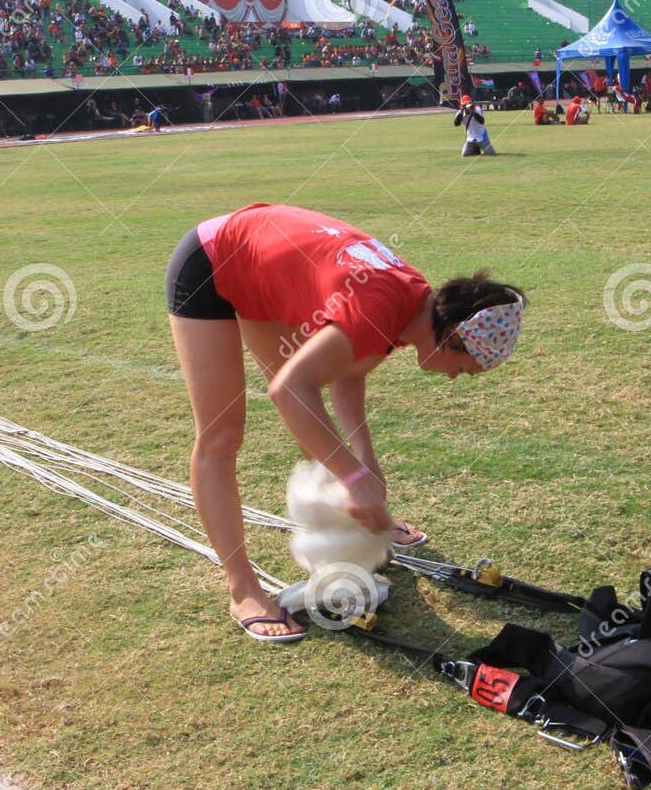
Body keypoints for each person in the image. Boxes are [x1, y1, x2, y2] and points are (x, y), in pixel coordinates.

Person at [165, 203, 526, 642]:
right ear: (452, 337)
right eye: (465, 369)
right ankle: (242, 590)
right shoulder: (377, 304)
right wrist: (355, 478)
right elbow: (289, 389)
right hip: (213, 259)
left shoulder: (414, 305)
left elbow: (348, 372)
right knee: (222, 435)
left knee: (316, 426)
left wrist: (366, 465)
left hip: (258, 263)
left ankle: (353, 519)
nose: (455, 378)